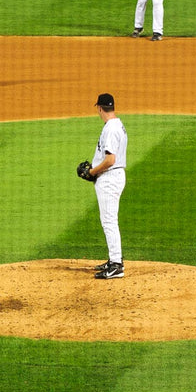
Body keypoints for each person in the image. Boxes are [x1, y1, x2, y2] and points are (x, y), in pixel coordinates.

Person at [76, 92, 128, 280]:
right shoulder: (116, 125)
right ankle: (113, 260)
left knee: (109, 221)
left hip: (110, 178)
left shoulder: (111, 129)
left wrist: (92, 172)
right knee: (109, 220)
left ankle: (116, 265)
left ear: (99, 108)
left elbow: (110, 160)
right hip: (112, 177)